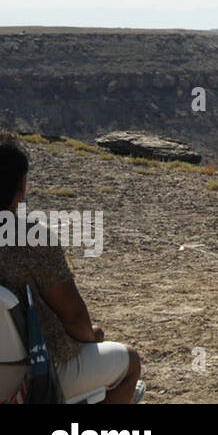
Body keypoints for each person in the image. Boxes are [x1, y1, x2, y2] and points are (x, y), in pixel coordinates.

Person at [0, 132, 143, 404]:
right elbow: (74, 316)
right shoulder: (31, 239)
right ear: (22, 185)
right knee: (130, 364)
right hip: (35, 375)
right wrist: (90, 340)